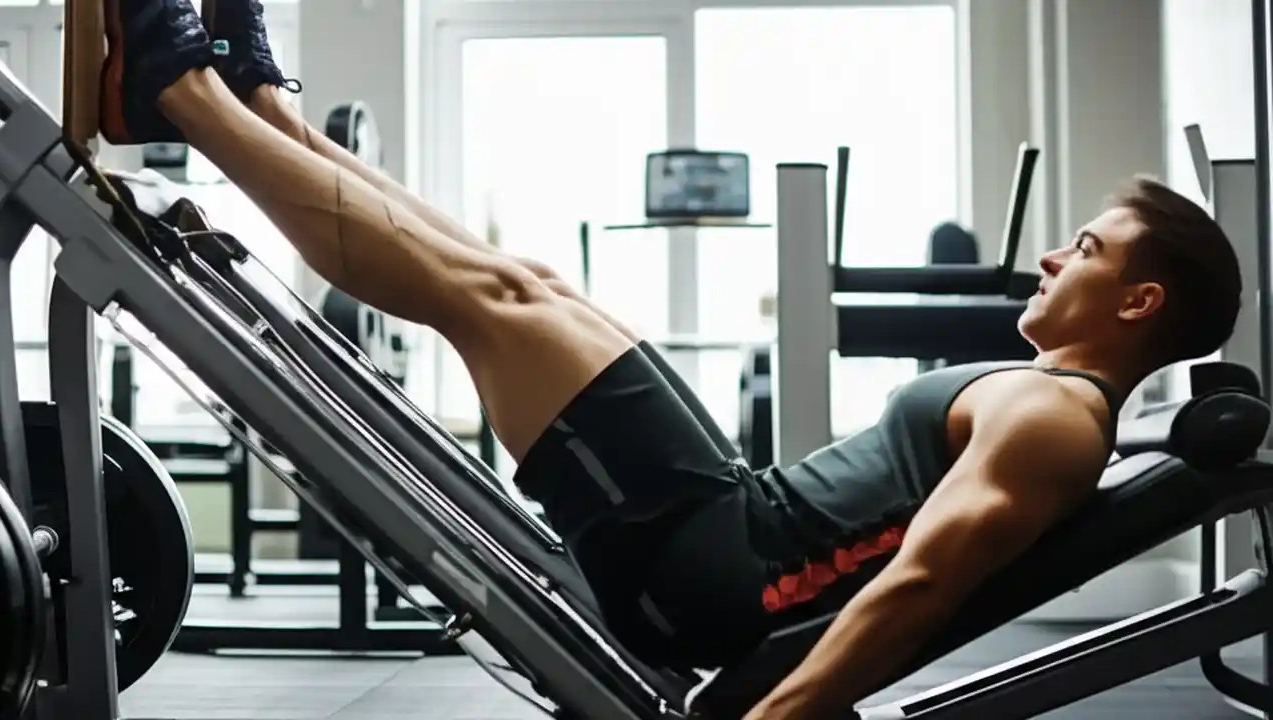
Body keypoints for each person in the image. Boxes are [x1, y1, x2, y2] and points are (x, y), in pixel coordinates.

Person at [90, 1, 1243, 717]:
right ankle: (257, 105)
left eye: (1083, 249)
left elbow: (918, 589)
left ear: (1137, 301)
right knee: (521, 280)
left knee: (483, 300)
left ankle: (184, 96)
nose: (1052, 256)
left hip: (706, 573)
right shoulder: (1048, 399)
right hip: (726, 522)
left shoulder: (1053, 424)